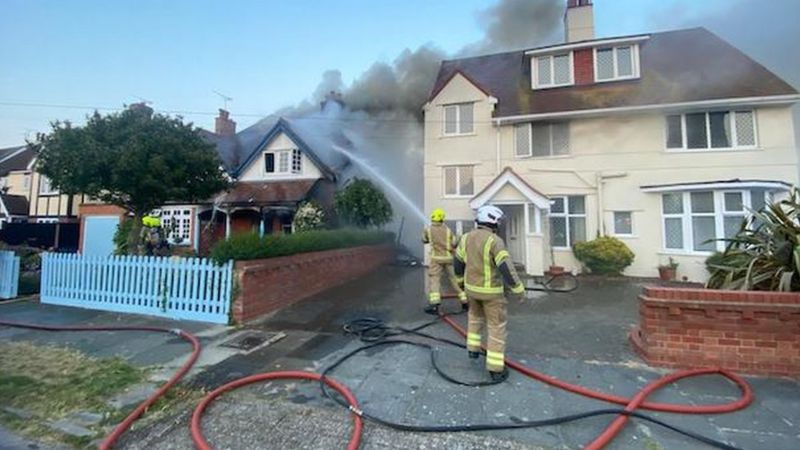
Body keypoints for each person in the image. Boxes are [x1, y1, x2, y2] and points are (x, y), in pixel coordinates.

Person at [454, 205, 525, 382]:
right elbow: (506, 268)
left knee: (475, 318)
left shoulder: (465, 238)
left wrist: (461, 283)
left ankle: (473, 349)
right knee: (496, 327)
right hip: (492, 294)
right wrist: (518, 289)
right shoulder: (495, 241)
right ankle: (495, 369)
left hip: (471, 290)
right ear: (493, 221)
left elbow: (457, 263)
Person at [423, 208, 467, 315]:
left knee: (435, 280)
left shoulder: (428, 229)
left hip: (436, 259)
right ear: (442, 218)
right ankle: (465, 302)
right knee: (455, 280)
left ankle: (434, 305)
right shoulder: (448, 230)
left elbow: (424, 240)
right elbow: (455, 242)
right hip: (449, 258)